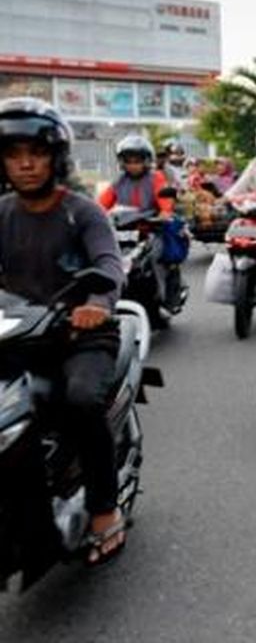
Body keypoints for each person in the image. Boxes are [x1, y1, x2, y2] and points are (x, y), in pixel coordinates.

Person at [0, 97, 129, 565]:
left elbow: (108, 264)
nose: (26, 164)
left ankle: (103, 511)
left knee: (79, 402)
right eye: (13, 154)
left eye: (35, 152)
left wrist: (96, 304)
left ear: (57, 156)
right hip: (15, 336)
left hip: (79, 336)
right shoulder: (2, 213)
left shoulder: (82, 211)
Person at [97, 134, 184, 312]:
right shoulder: (119, 182)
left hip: (151, 230)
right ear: (122, 162)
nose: (133, 165)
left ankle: (163, 297)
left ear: (146, 160)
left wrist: (165, 212)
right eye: (129, 160)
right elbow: (101, 204)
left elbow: (164, 200)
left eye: (137, 160)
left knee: (154, 258)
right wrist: (92, 216)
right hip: (123, 233)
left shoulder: (156, 178)